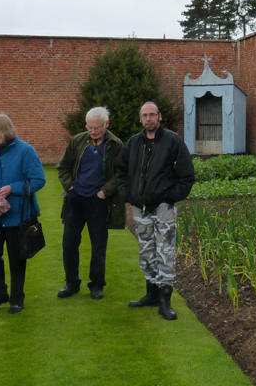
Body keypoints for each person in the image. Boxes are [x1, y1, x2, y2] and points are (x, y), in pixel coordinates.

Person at [117, 101, 195, 320]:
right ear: (140, 119)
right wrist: (127, 194)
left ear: (159, 117)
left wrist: (168, 196)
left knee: (166, 252)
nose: (149, 119)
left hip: (163, 209)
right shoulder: (133, 144)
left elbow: (186, 176)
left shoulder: (172, 141)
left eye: (152, 115)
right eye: (145, 115)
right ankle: (151, 294)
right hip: (140, 208)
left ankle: (165, 300)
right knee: (146, 251)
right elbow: (121, 172)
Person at [0, 112, 46, 314]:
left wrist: (11, 188)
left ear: (5, 132)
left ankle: (16, 299)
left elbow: (39, 180)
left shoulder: (26, 151)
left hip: (18, 217)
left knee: (17, 258)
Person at [56, 106, 124, 300]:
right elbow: (63, 167)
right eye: (89, 127)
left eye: (97, 127)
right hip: (76, 200)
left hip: (98, 202)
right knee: (69, 243)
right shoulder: (78, 141)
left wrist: (105, 191)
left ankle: (96, 285)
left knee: (98, 245)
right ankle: (71, 283)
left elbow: (121, 173)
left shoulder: (116, 144)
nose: (93, 131)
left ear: (106, 124)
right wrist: (70, 186)